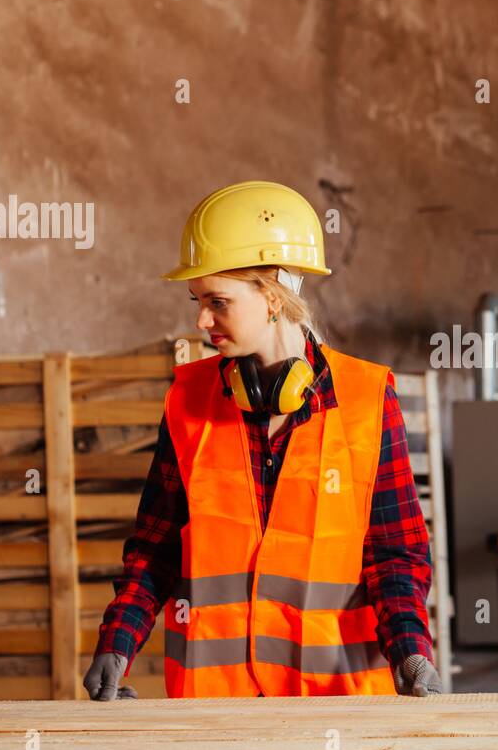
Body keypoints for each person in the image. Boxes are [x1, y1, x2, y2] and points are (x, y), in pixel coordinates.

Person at [84, 181, 441, 700]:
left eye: (217, 301)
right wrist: (116, 646)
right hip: (216, 715)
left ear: (273, 297)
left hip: (338, 714)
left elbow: (395, 555)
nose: (201, 320)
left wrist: (411, 653)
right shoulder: (189, 403)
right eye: (198, 301)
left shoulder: (366, 400)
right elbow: (154, 550)